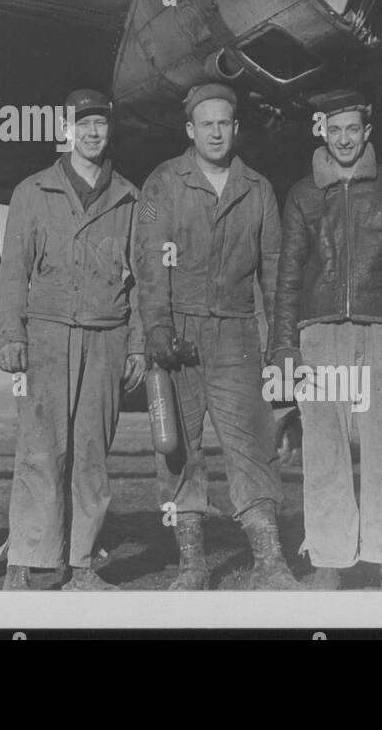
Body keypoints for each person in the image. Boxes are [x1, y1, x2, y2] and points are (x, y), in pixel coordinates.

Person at [133, 83, 298, 590]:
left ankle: (271, 562)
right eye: (206, 124)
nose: (215, 132)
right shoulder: (163, 184)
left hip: (235, 332)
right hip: (177, 333)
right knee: (178, 449)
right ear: (190, 130)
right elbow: (148, 260)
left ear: (236, 128)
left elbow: (274, 274)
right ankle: (192, 566)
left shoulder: (258, 188)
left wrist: (280, 345)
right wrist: (156, 327)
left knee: (252, 444)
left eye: (224, 123)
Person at [269, 91, 382, 590]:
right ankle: (329, 561)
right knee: (324, 449)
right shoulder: (301, 194)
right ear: (323, 133)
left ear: (367, 133)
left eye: (352, 130)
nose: (343, 139)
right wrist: (285, 348)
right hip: (318, 337)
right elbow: (288, 275)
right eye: (334, 130)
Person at [0, 90, 146, 591]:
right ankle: (27, 558)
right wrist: (10, 334)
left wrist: (139, 345)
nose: (92, 133)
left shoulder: (129, 196)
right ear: (66, 130)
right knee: (39, 448)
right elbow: (12, 271)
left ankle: (81, 564)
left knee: (91, 454)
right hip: (48, 335)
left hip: (106, 335)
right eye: (83, 124)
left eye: (100, 124)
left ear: (110, 130)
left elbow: (142, 280)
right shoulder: (32, 191)